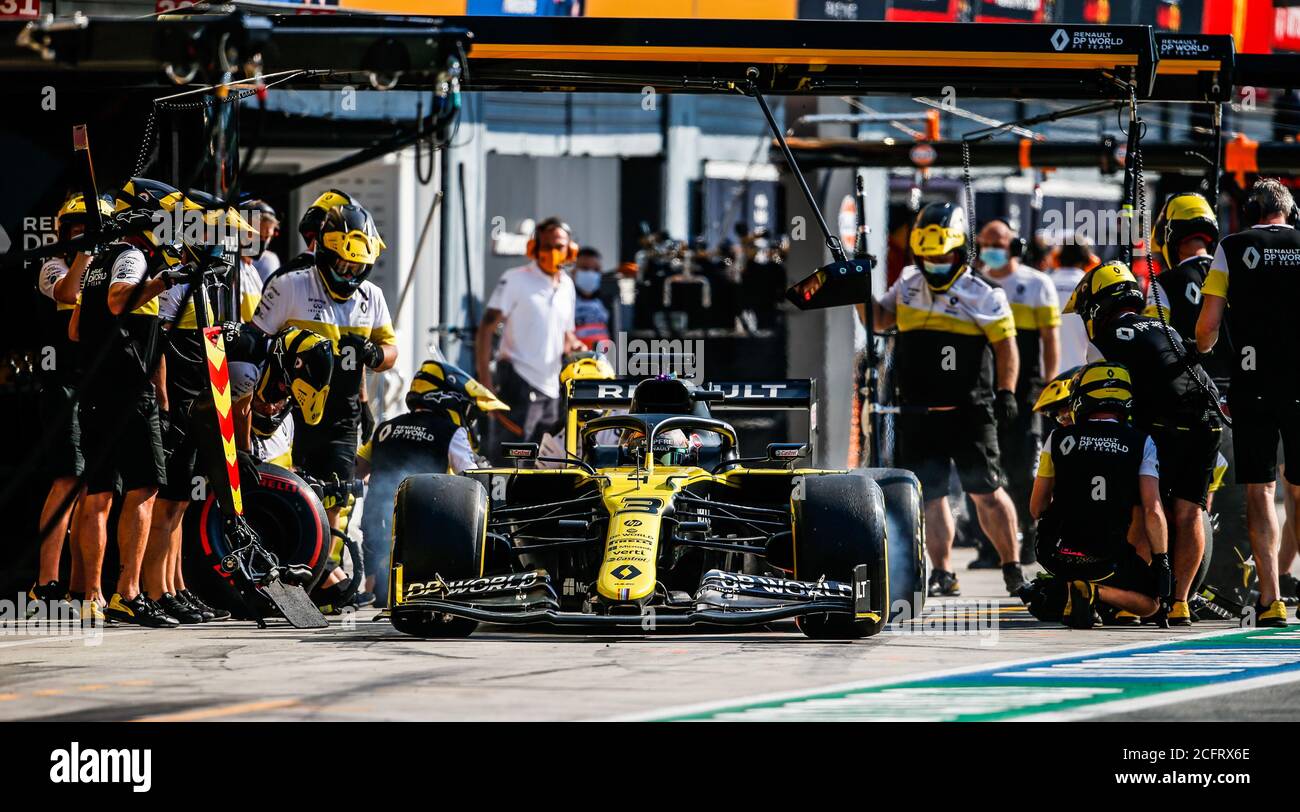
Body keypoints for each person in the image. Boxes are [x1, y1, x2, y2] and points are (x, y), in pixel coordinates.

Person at [869, 202, 1027, 597]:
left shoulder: (984, 293)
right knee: (930, 497)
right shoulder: (907, 283)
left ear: (959, 253)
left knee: (987, 492)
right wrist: (859, 287)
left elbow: (1007, 349)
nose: (935, 263)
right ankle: (943, 571)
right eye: (927, 257)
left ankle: (1012, 567)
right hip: (919, 412)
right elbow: (878, 321)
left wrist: (1006, 392)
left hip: (969, 411)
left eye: (943, 256)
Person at [246, 201, 398, 578]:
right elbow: (251, 346)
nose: (349, 274)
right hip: (287, 410)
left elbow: (392, 351)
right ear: (325, 253)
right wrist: (253, 403)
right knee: (287, 485)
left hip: (341, 413)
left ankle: (321, 566)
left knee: (337, 491)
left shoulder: (372, 297)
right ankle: (277, 557)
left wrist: (375, 355)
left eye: (357, 268)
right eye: (342, 265)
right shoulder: (288, 285)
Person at [1066, 260, 1222, 626]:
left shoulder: (1102, 342)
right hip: (1207, 422)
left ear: (1096, 304)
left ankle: (1135, 600)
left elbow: (1108, 403)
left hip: (1164, 426)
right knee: (1189, 511)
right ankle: (1180, 602)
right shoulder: (1165, 326)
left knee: (1142, 507)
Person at [70, 178, 191, 627]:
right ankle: (129, 592)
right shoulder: (134, 256)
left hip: (96, 390)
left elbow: (76, 330)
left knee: (99, 494)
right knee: (144, 488)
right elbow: (121, 300)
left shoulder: (100, 259)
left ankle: (91, 596)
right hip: (126, 394)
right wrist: (164, 281)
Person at [146, 195, 260, 624]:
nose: (227, 245)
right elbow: (159, 344)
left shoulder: (209, 281)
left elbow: (211, 353)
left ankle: (175, 587)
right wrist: (164, 402)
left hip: (200, 405)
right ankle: (152, 590)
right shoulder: (176, 279)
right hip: (177, 404)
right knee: (164, 502)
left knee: (179, 504)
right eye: (218, 236)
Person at [1196, 177, 1300, 627]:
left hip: (1253, 386)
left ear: (1248, 212)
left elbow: (1207, 327)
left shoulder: (1232, 247)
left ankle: (1271, 597)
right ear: (1290, 212)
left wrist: (1200, 352)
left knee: (1261, 490)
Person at [1029, 362, 1172, 628]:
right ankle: (1096, 592)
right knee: (1151, 604)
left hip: (1058, 554)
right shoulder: (1142, 442)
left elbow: (1037, 507)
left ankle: (1073, 587)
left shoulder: (1057, 438)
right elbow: (1154, 511)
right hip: (1111, 555)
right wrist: (1162, 562)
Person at [356, 359, 506, 604]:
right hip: (427, 549)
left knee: (383, 594)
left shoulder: (386, 428)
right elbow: (473, 484)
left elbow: (355, 470)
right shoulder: (451, 432)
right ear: (448, 399)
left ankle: (372, 588)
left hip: (381, 549)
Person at [27, 194, 110, 617]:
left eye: (88, 226)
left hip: (96, 388)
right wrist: (83, 253)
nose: (81, 232)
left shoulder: (105, 269)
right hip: (61, 388)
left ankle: (83, 586)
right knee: (67, 482)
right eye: (74, 226)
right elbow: (66, 291)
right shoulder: (53, 266)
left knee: (94, 491)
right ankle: (45, 583)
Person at [977, 219, 1060, 564]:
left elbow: (1049, 342)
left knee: (1026, 468)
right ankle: (989, 547)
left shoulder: (1037, 284)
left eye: (998, 243)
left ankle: (1030, 538)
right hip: (984, 391)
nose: (992, 250)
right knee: (987, 472)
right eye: (986, 243)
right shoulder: (975, 284)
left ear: (1015, 246)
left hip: (1027, 393)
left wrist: (1050, 390)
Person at [476, 216, 586, 461]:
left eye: (559, 246)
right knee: (511, 459)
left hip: (552, 389)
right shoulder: (515, 279)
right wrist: (486, 382)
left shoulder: (567, 285)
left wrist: (577, 347)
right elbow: (486, 328)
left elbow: (567, 334)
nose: (553, 252)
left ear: (570, 249)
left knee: (545, 459)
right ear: (534, 249)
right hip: (518, 381)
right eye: (546, 246)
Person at [1048, 237, 1096, 371]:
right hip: (1080, 374)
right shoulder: (1092, 287)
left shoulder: (1045, 283)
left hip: (1046, 375)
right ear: (1088, 259)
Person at [572, 247, 611, 349]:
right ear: (573, 271)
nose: (591, 273)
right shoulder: (563, 299)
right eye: (585, 268)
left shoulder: (609, 301)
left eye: (596, 270)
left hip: (602, 361)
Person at [243, 198, 282, 282]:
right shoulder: (230, 268)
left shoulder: (253, 271)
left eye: (267, 237)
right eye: (258, 236)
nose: (262, 242)